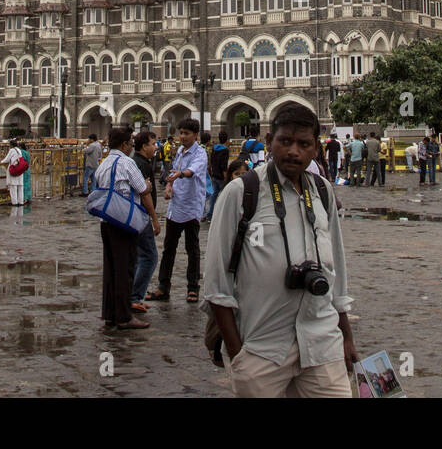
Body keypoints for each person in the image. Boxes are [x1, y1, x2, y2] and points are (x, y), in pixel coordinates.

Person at [203, 104, 358, 397]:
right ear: (270, 141)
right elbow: (216, 284)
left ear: (316, 148)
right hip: (262, 348)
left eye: (303, 144)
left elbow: (336, 269)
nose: (293, 151)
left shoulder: (323, 192)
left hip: (322, 346)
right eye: (285, 141)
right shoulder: (241, 192)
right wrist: (239, 357)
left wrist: (346, 337)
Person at [95, 128, 159, 331]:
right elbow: (142, 189)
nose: (132, 147)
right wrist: (148, 185)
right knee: (125, 269)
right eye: (130, 143)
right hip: (124, 221)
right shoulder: (126, 162)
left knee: (111, 269)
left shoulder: (104, 164)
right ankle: (124, 316)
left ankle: (110, 314)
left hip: (106, 222)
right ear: (123, 145)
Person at [146, 118, 208, 303]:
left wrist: (181, 174)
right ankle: (163, 287)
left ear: (195, 135)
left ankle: (193, 288)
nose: (182, 137)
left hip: (191, 207)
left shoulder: (201, 153)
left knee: (192, 249)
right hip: (176, 205)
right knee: (169, 249)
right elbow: (174, 171)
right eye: (180, 133)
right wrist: (168, 187)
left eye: (186, 133)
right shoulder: (180, 151)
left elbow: (192, 171)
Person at [131, 131, 161, 313]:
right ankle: (135, 297)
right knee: (150, 257)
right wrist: (154, 219)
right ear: (144, 146)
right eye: (153, 143)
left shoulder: (139, 162)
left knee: (138, 257)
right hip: (141, 216)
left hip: (136, 216)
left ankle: (133, 295)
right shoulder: (141, 165)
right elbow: (145, 194)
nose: (156, 147)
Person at [1, 139, 26, 207]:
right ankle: (20, 202)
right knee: (20, 187)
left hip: (14, 169)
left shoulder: (12, 150)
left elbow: (7, 159)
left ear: (11, 145)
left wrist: (1, 162)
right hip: (20, 169)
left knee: (13, 187)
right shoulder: (19, 150)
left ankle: (14, 202)